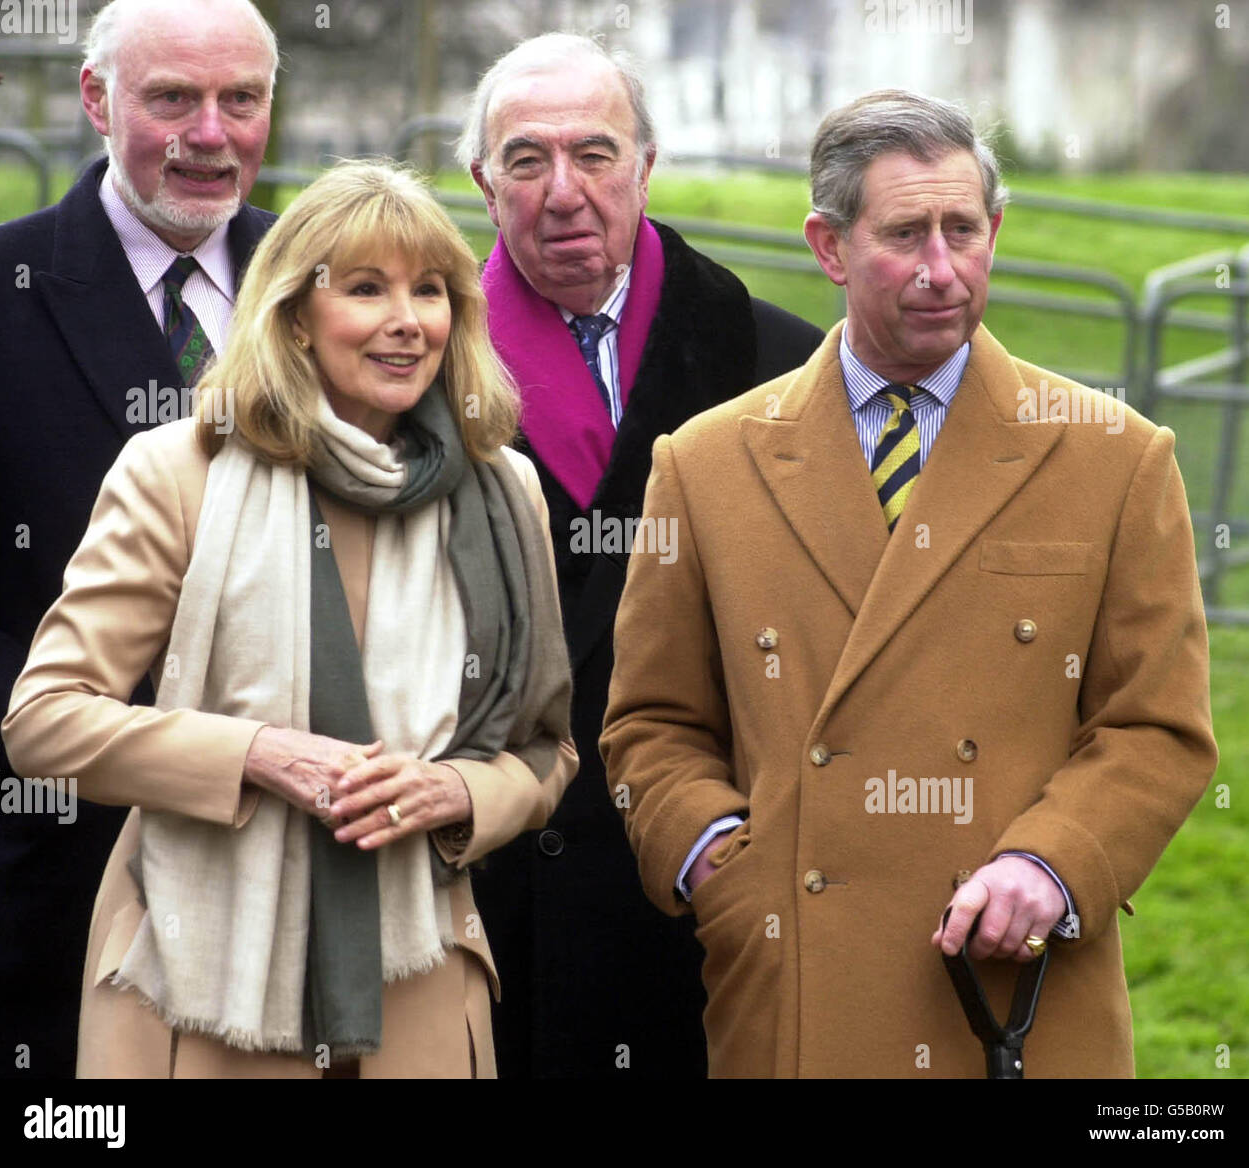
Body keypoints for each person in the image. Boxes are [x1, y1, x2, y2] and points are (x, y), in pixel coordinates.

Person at [600, 89, 1218, 1077]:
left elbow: (1156, 724)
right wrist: (720, 862)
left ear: (994, 230)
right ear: (827, 246)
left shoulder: (1117, 457)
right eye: (903, 234)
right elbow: (649, 723)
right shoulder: (705, 463)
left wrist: (1050, 863)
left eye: (962, 230)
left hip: (1008, 997)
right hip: (793, 989)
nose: (941, 269)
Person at [1, 158, 577, 1078]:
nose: (407, 320)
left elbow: (548, 750)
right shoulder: (177, 471)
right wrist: (256, 756)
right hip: (195, 991)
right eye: (365, 289)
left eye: (430, 290)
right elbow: (44, 721)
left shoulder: (502, 488)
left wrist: (461, 794)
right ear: (295, 318)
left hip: (421, 984)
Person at [456, 32, 823, 1078]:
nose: (562, 191)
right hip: (480, 877)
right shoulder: (413, 368)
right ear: (484, 186)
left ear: (647, 166)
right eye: (525, 160)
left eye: (595, 154)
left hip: (709, 874)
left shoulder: (780, 362)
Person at [0, 0, 277, 1077]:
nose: (210, 134)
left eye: (240, 99)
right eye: (172, 99)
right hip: (46, 856)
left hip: (288, 850)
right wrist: (86, 744)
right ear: (97, 100)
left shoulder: (327, 292)